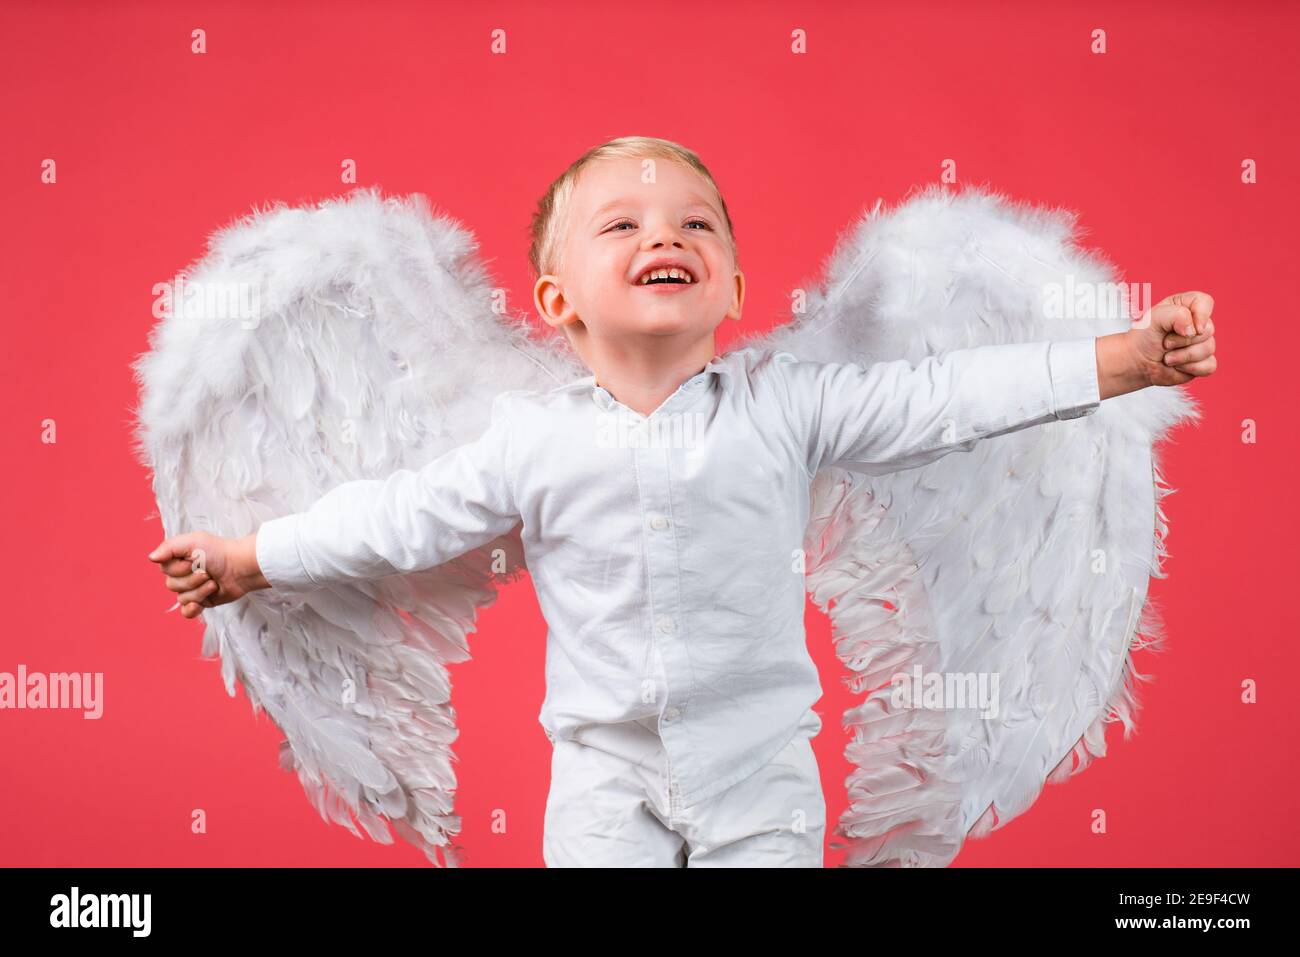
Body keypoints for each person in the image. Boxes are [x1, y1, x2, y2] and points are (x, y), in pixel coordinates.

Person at [148, 136, 1218, 867]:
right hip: (601, 783)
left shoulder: (789, 405)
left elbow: (945, 397)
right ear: (557, 300)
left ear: (737, 288)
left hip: (762, 782)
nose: (667, 237)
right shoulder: (529, 440)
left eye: (697, 225)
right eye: (623, 225)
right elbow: (393, 517)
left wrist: (1119, 360)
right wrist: (252, 557)